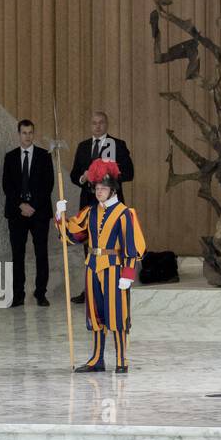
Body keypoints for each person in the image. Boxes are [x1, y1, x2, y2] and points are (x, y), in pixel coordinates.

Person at [54, 159, 147, 373]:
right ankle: (97, 359)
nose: (99, 192)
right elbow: (74, 235)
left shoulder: (124, 213)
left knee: (117, 315)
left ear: (113, 189)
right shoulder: (91, 212)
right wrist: (61, 217)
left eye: (103, 188)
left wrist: (128, 273)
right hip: (93, 267)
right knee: (95, 315)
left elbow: (131, 246)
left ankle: (121, 360)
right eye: (96, 188)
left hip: (115, 269)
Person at [68, 110, 134, 304]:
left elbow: (129, 173)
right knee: (89, 248)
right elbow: (74, 174)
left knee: (113, 245)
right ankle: (90, 288)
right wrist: (84, 177)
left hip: (112, 205)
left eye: (101, 122)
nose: (97, 126)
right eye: (94, 123)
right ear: (90, 125)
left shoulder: (118, 145)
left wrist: (109, 175)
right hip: (89, 204)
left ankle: (114, 286)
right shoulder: (83, 146)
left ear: (107, 124)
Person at [1, 119, 56, 307]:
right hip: (17, 214)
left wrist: (32, 205)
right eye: (24, 133)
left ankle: (41, 293)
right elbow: (7, 186)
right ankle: (18, 295)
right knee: (18, 254)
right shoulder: (10, 157)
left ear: (34, 134)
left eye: (30, 133)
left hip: (39, 213)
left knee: (41, 253)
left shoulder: (44, 156)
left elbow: (48, 184)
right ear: (19, 134)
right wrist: (21, 205)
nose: (27, 136)